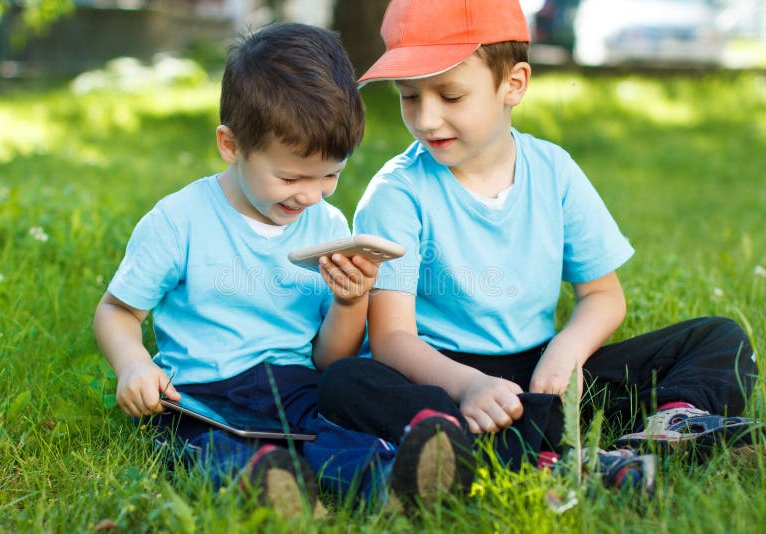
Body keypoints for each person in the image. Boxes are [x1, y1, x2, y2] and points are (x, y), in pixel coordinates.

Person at [318, 0, 760, 493]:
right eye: (409, 97)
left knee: (718, 338)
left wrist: (568, 350)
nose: (425, 118)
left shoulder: (554, 171)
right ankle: (553, 460)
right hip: (444, 376)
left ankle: (669, 426)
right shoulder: (397, 193)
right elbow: (392, 339)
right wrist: (469, 386)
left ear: (514, 84)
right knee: (345, 384)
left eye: (450, 95)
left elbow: (603, 296)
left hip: (542, 372)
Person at [93, 22, 474, 516]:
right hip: (199, 393)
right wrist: (133, 364)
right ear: (231, 146)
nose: (311, 195)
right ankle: (266, 486)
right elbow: (117, 311)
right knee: (204, 446)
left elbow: (329, 359)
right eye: (291, 177)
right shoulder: (178, 221)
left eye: (331, 175)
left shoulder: (327, 225)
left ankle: (390, 483)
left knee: (330, 433)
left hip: (295, 385)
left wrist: (350, 300)